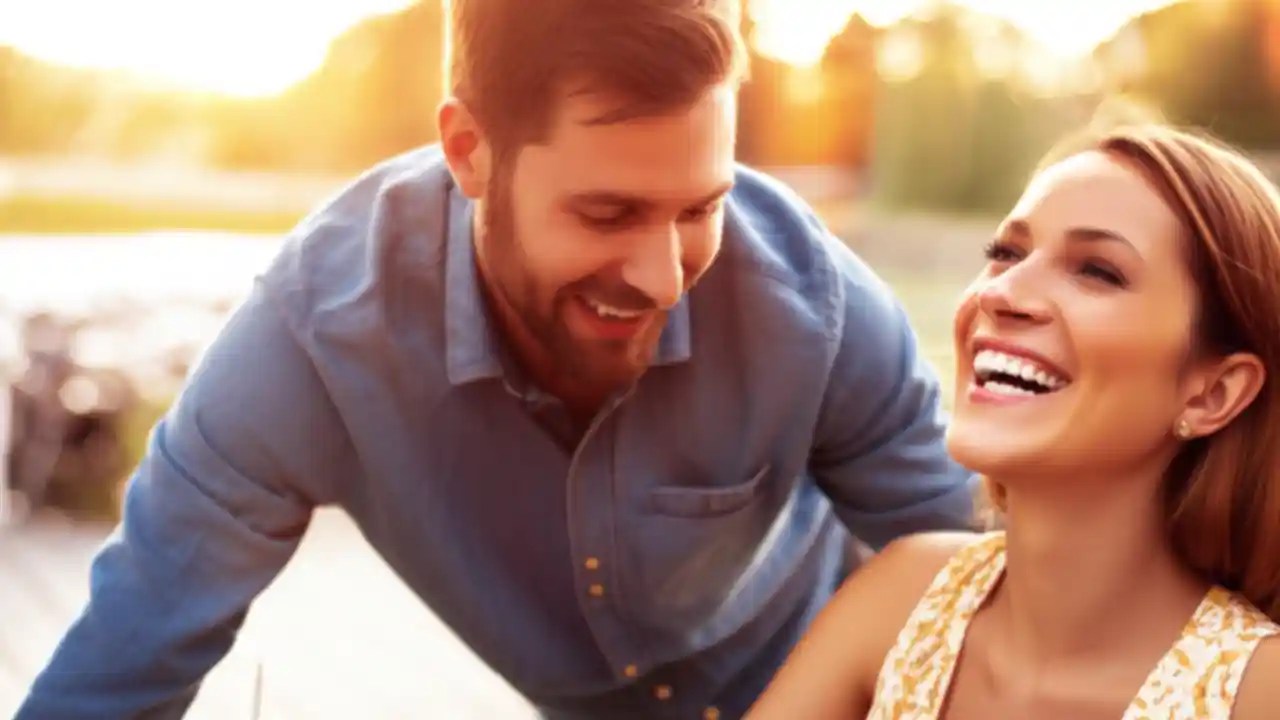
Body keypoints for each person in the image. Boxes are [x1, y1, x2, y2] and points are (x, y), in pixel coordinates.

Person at [16, 1, 976, 718]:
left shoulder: (819, 304)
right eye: (607, 214)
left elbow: (991, 593)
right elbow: (124, 665)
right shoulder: (310, 343)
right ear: (470, 151)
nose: (661, 275)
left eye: (699, 208)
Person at [746, 124, 1280, 719]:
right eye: (1006, 253)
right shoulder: (901, 598)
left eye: (1098, 271)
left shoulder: (1259, 692)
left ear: (1212, 394)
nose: (1001, 292)